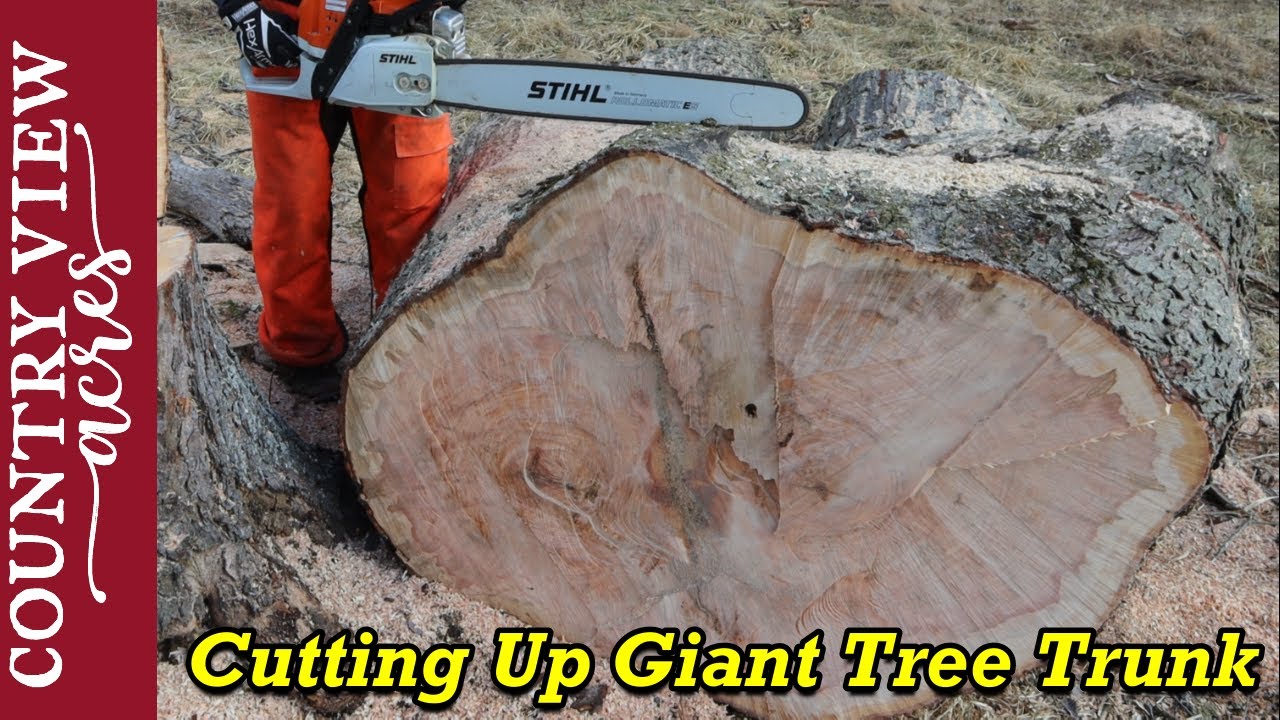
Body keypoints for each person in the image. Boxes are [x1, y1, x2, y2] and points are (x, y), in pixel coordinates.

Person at [212, 0, 454, 396]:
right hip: (286, 33)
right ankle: (299, 347)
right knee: (291, 203)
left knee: (411, 195)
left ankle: (410, 336)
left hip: (403, 27)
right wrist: (240, 9)